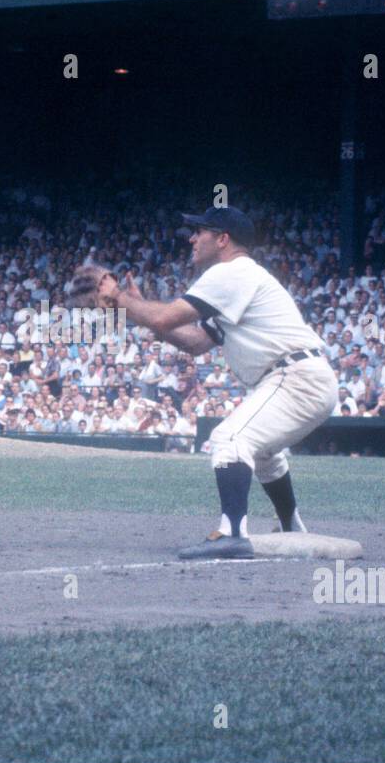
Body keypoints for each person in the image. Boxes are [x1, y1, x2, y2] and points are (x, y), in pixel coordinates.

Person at [100, 206, 337, 560]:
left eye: (201, 231)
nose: (192, 238)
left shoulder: (230, 272)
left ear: (223, 239)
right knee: (263, 451)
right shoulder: (238, 278)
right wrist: (133, 306)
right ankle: (290, 525)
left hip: (296, 377)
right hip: (300, 377)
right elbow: (195, 343)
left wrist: (121, 300)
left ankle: (232, 533)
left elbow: (164, 318)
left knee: (230, 438)